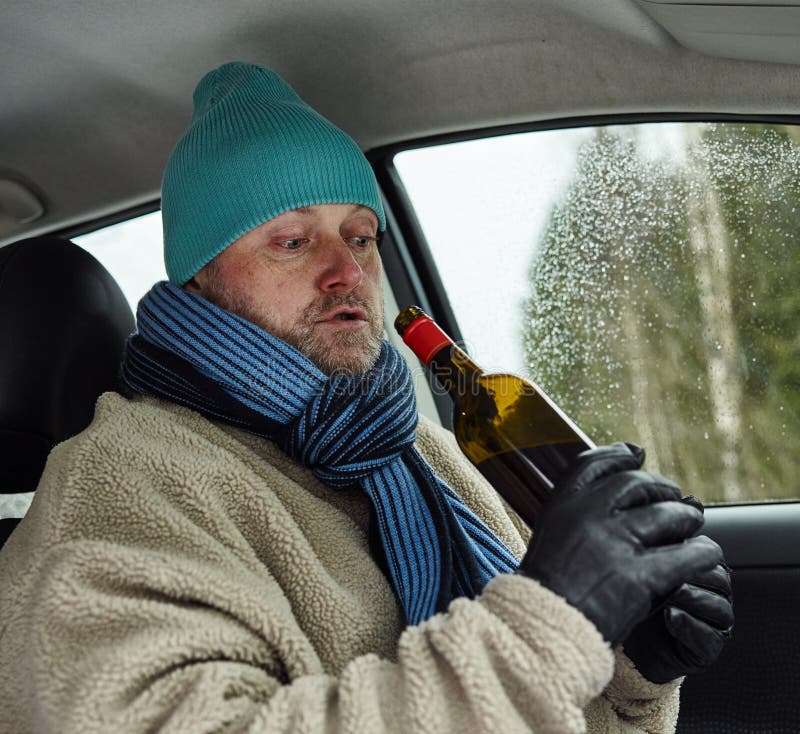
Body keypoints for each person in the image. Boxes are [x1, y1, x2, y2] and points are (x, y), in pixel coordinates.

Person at [0, 62, 733, 733]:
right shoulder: (122, 488)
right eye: (292, 241)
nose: (346, 270)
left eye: (361, 235)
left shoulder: (427, 456)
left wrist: (634, 662)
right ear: (202, 280)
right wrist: (549, 625)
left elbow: (551, 701)